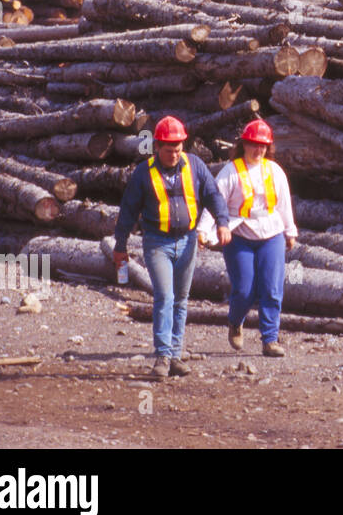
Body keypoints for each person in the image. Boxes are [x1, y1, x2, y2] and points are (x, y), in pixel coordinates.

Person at [114, 116, 231, 379]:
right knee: (164, 297)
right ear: (157, 147)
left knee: (181, 299)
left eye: (179, 149)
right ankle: (162, 356)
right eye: (169, 150)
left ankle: (176, 355)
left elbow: (213, 195)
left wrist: (222, 223)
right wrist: (120, 245)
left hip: (188, 241)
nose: (175, 155)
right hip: (157, 242)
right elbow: (128, 211)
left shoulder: (196, 166)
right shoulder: (143, 173)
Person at [209, 118, 296, 358]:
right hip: (239, 233)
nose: (258, 150)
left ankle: (270, 339)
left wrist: (290, 232)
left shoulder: (274, 171)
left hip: (271, 232)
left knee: (271, 287)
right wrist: (206, 231)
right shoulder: (231, 171)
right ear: (244, 145)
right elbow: (216, 202)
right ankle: (235, 321)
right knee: (245, 289)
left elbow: (284, 203)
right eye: (254, 145)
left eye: (263, 146)